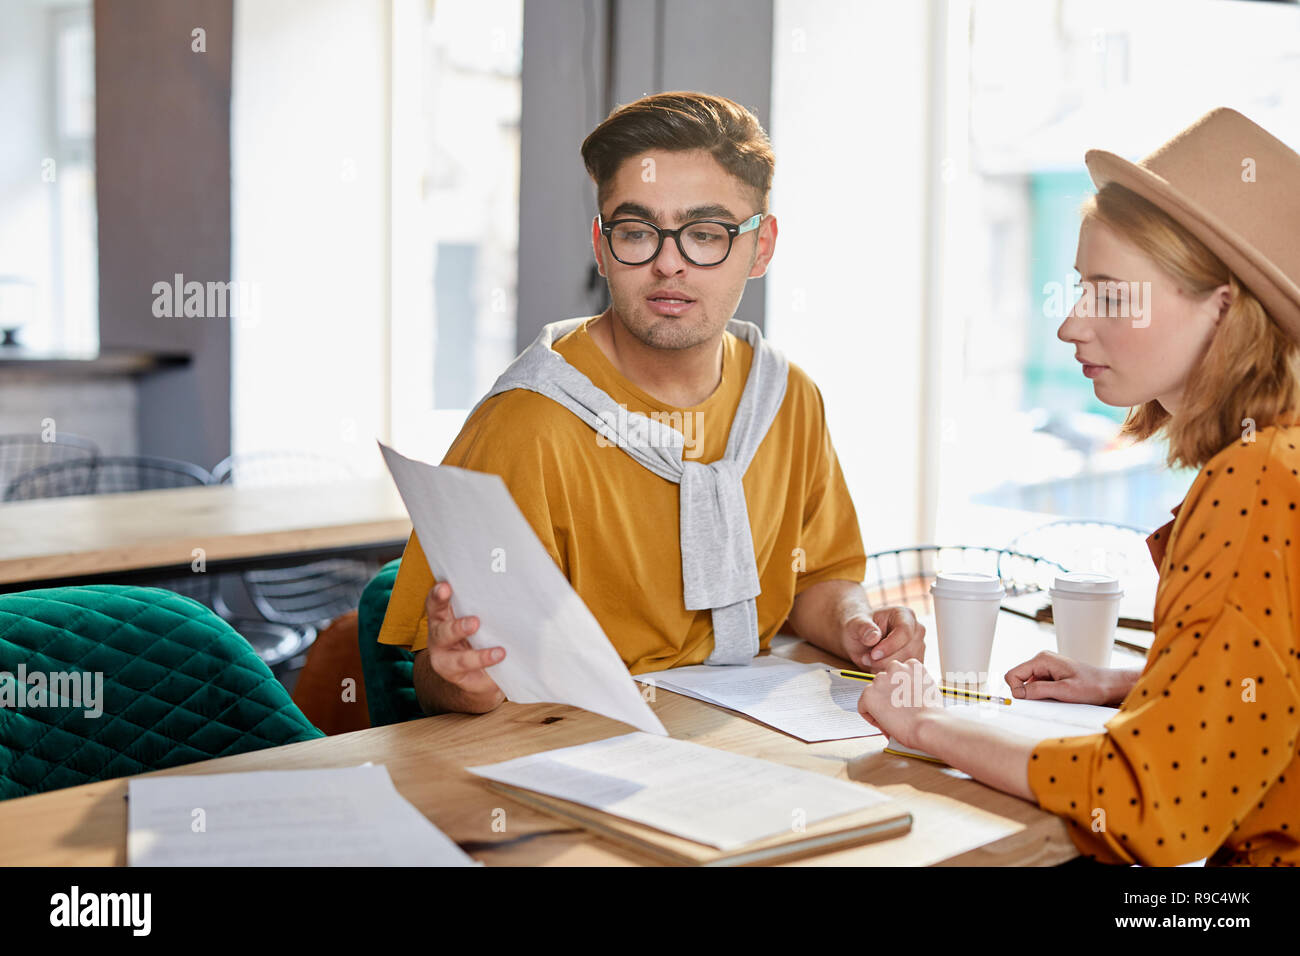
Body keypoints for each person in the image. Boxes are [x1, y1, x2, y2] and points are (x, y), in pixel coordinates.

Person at [378, 91, 925, 716]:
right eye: (637, 232)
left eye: (706, 234)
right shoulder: (527, 425)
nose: (669, 263)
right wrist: (462, 679)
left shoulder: (787, 398)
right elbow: (442, 680)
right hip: (579, 748)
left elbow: (817, 579)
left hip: (752, 736)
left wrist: (858, 624)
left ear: (762, 246)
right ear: (602, 244)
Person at [858, 107, 1300, 866]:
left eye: (1109, 294)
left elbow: (1150, 806)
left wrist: (927, 722)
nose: (1070, 327)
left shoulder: (1258, 479)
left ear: (1223, 309)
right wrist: (1135, 685)